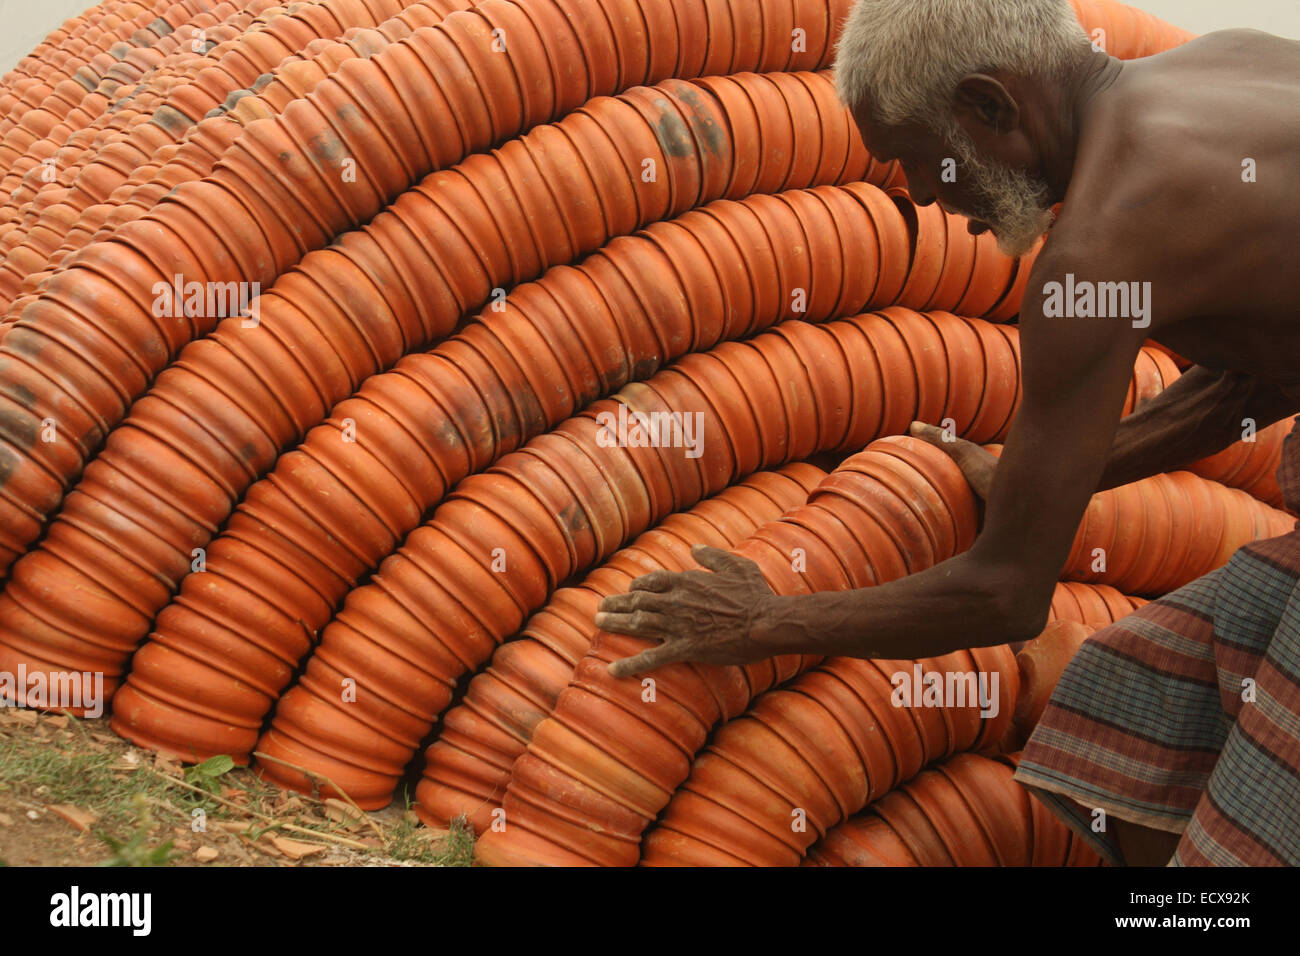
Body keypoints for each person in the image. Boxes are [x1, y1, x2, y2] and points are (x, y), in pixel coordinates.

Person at [593, 0, 1300, 866]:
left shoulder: (1105, 247)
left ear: (990, 107)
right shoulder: (1235, 60)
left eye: (923, 160)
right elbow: (1252, 382)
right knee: (1129, 694)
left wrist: (761, 622)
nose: (922, 195)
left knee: (1249, 837)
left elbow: (1005, 595)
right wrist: (1026, 480)